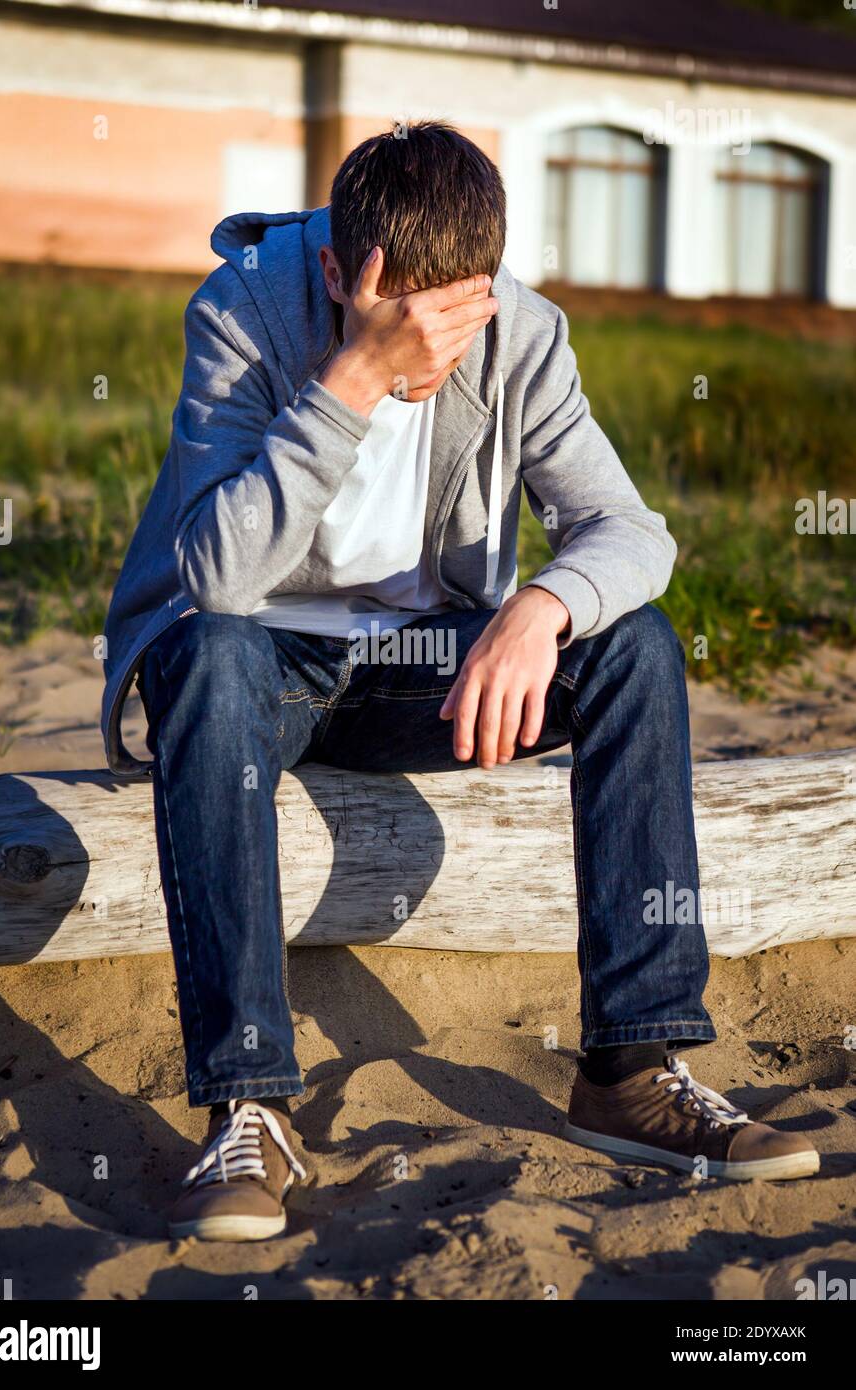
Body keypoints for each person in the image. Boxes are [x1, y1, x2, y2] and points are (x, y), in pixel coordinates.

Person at [102, 121, 819, 1242]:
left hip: (419, 671)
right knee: (209, 647)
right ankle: (250, 1107)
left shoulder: (519, 332)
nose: (440, 345)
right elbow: (218, 575)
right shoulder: (243, 308)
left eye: (463, 308)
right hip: (250, 665)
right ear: (339, 272)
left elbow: (630, 531)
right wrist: (350, 381)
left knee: (634, 645)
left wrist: (542, 608)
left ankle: (632, 1068)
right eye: (408, 316)